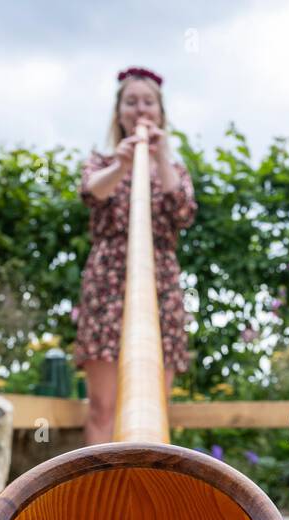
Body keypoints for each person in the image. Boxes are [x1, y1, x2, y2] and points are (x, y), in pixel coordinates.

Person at [75, 66, 197, 445]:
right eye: (132, 102)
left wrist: (159, 156)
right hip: (110, 283)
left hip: (158, 283)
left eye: (148, 102)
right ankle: (97, 500)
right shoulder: (102, 161)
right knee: (103, 406)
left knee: (154, 407)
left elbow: (183, 212)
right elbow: (92, 193)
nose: (140, 109)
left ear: (161, 112)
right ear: (119, 112)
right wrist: (122, 164)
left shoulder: (173, 168)